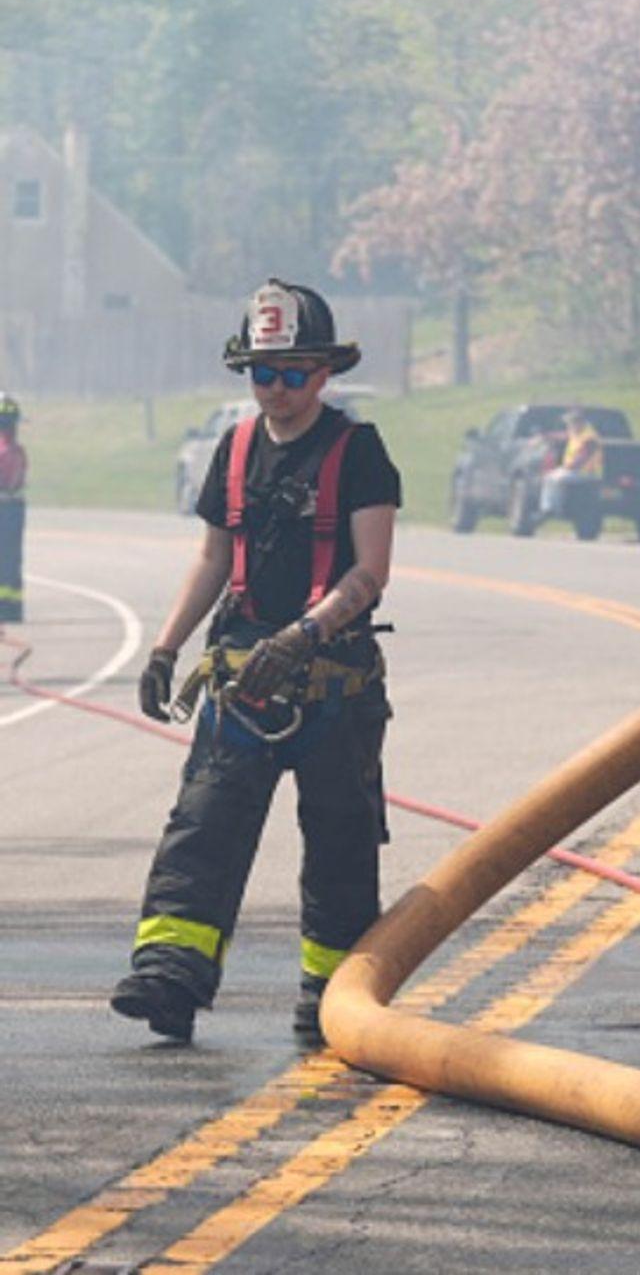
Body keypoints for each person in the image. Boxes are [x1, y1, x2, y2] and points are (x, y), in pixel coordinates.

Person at [111, 280, 401, 1044]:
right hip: (240, 685)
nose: (277, 390)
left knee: (339, 845)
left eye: (293, 374)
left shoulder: (358, 452)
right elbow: (213, 557)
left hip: (334, 690)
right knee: (202, 829)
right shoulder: (235, 450)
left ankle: (331, 997)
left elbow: (370, 571)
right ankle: (169, 977)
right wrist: (165, 647)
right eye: (262, 373)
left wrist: (302, 636)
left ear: (324, 372)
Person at [540, 406, 603, 518]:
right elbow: (562, 435)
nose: (569, 425)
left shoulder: (589, 437)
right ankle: (550, 508)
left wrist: (567, 467)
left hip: (587, 473)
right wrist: (545, 436)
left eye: (571, 423)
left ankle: (550, 509)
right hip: (577, 471)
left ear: (579, 423)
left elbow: (582, 458)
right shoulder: (576, 432)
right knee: (552, 477)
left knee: (553, 478)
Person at [0, 393, 26, 622]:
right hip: (13, 507)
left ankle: (8, 606)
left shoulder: (9, 450)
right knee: (10, 560)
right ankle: (12, 607)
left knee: (8, 559)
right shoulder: (15, 450)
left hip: (7, 508)